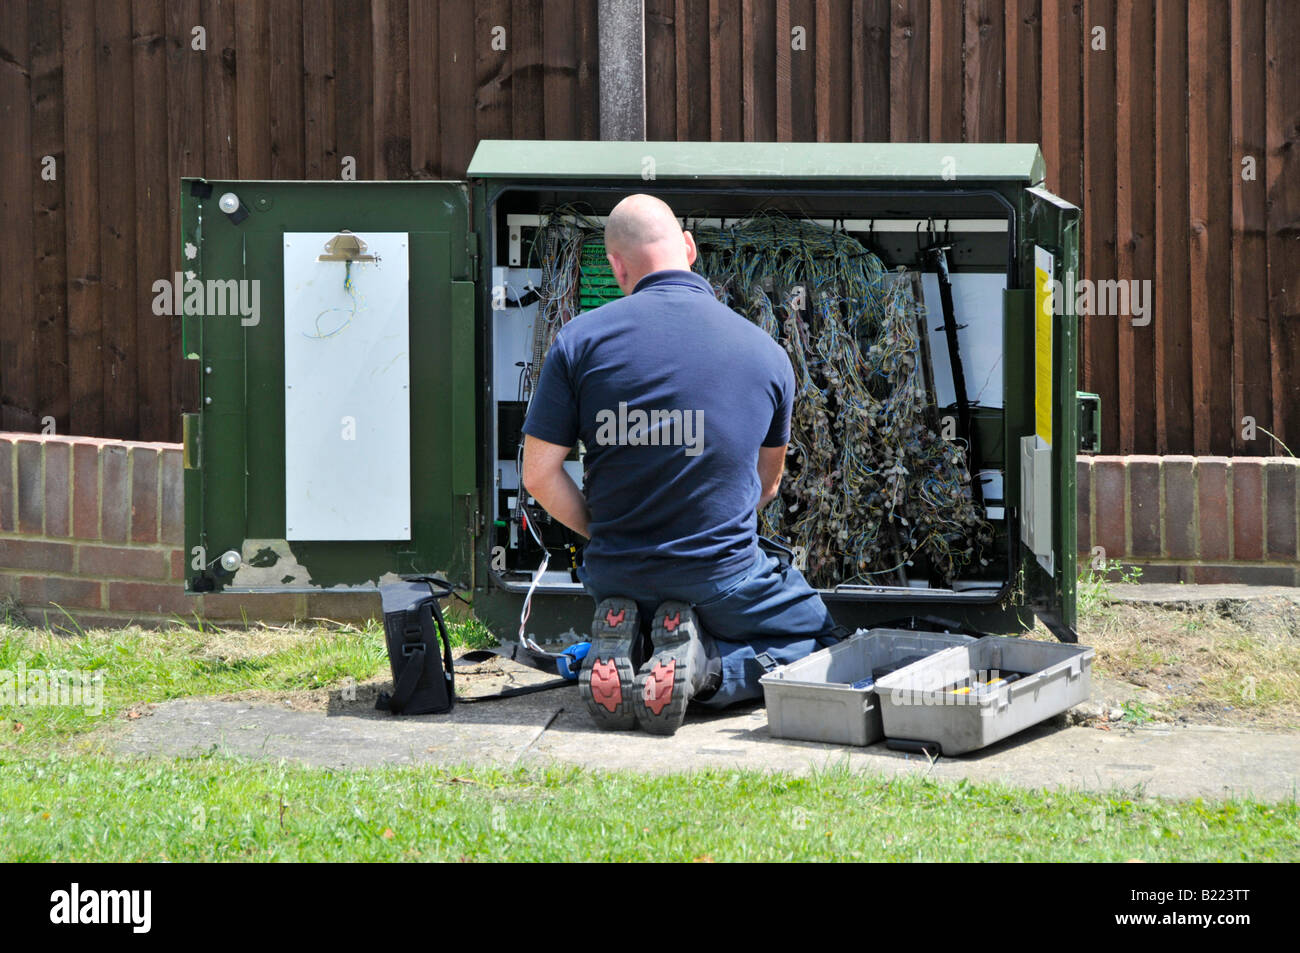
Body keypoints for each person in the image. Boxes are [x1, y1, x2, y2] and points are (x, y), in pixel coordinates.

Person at [520, 194, 843, 736]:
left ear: (617, 267)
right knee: (819, 641)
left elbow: (538, 474)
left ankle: (638, 642)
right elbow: (766, 484)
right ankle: (706, 671)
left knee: (647, 598)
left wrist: (606, 531)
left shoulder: (579, 341)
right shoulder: (765, 351)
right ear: (690, 249)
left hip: (614, 568)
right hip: (718, 575)